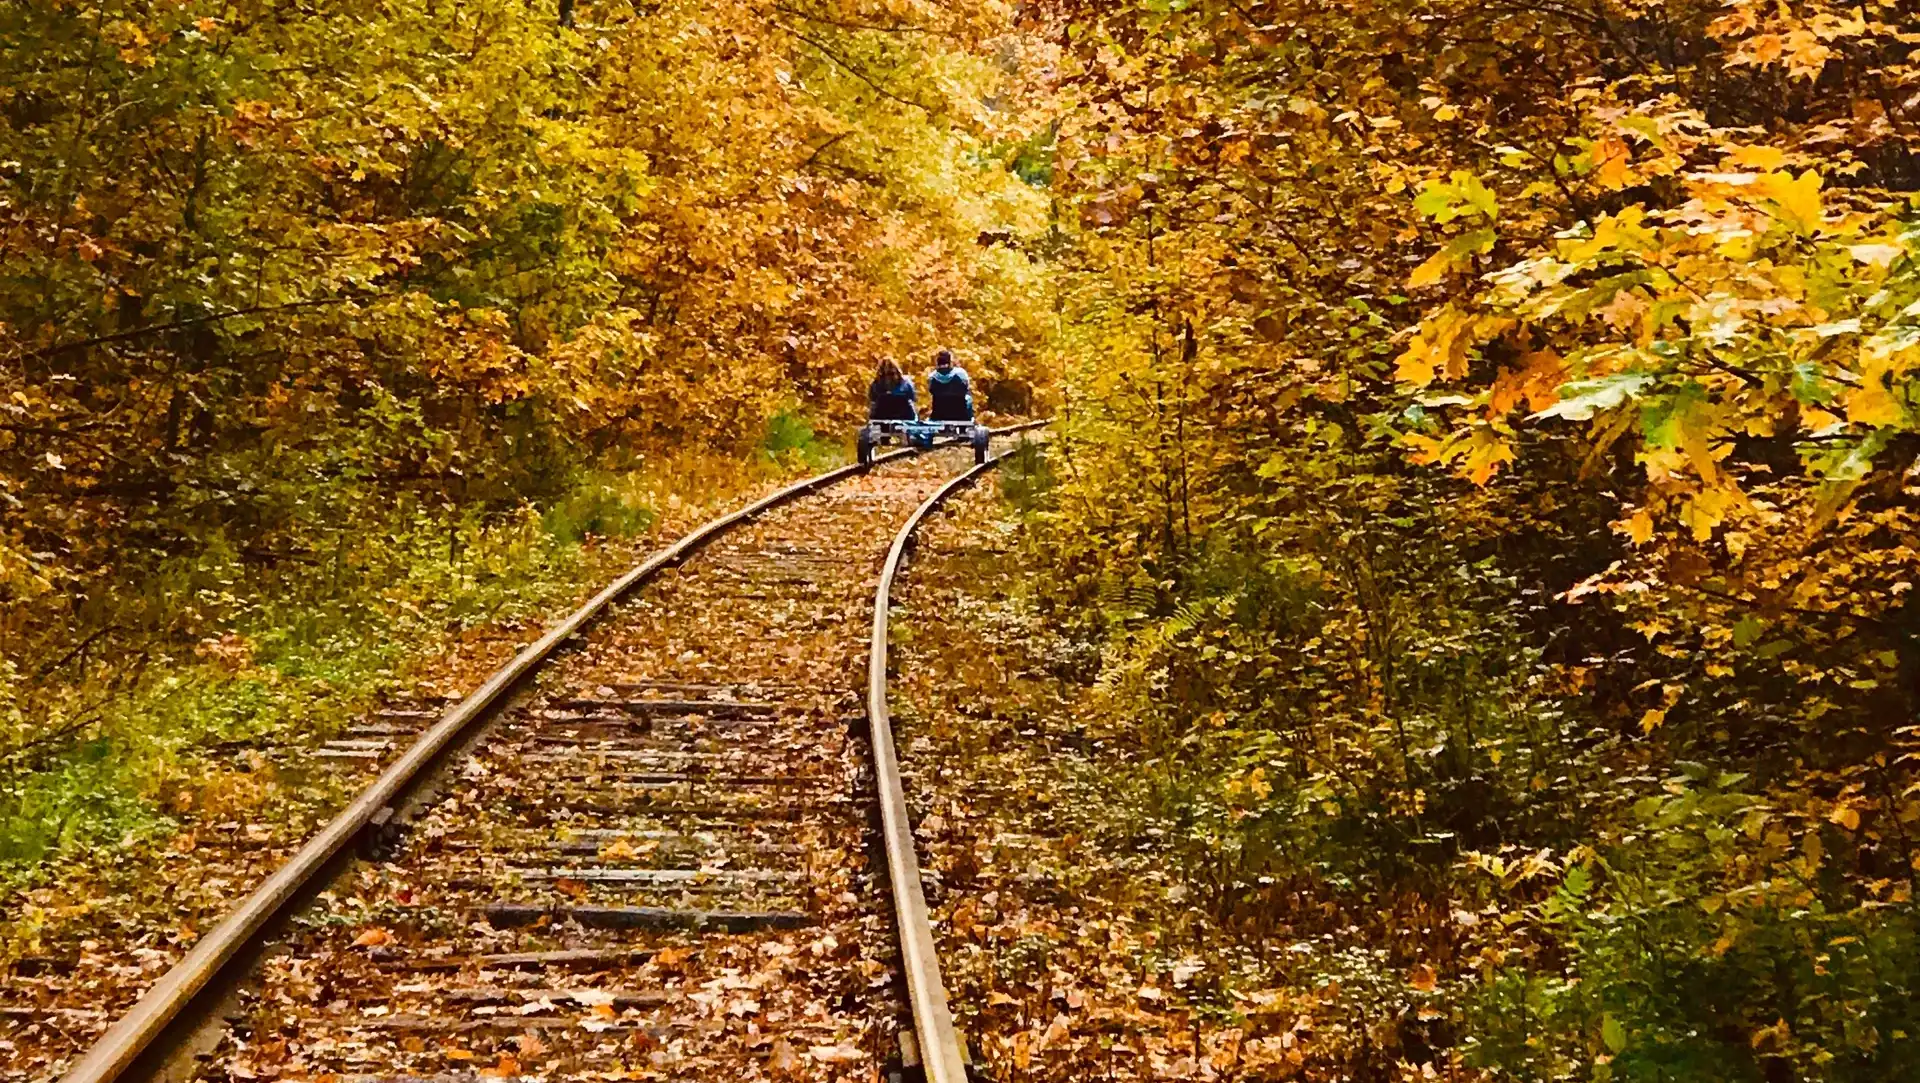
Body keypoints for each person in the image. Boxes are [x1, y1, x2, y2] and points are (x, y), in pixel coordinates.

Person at [926, 349, 974, 422]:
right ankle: (966, 424)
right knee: (968, 398)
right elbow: (966, 387)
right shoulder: (961, 373)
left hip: (939, 414)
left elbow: (930, 391)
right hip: (960, 414)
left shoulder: (932, 377)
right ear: (950, 361)